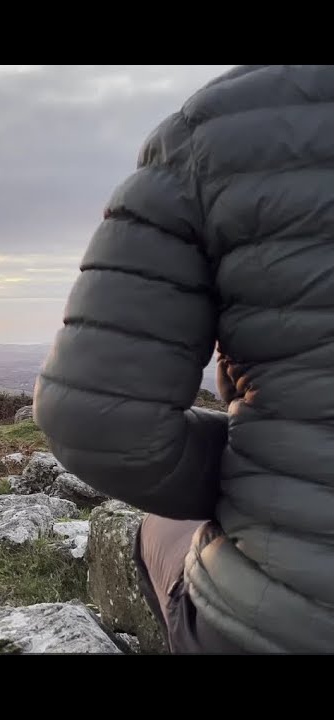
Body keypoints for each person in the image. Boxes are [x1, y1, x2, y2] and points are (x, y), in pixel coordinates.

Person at [32, 65, 334, 654]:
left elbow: (98, 424)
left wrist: (272, 480)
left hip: (287, 627)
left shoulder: (216, 129)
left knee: (156, 531)